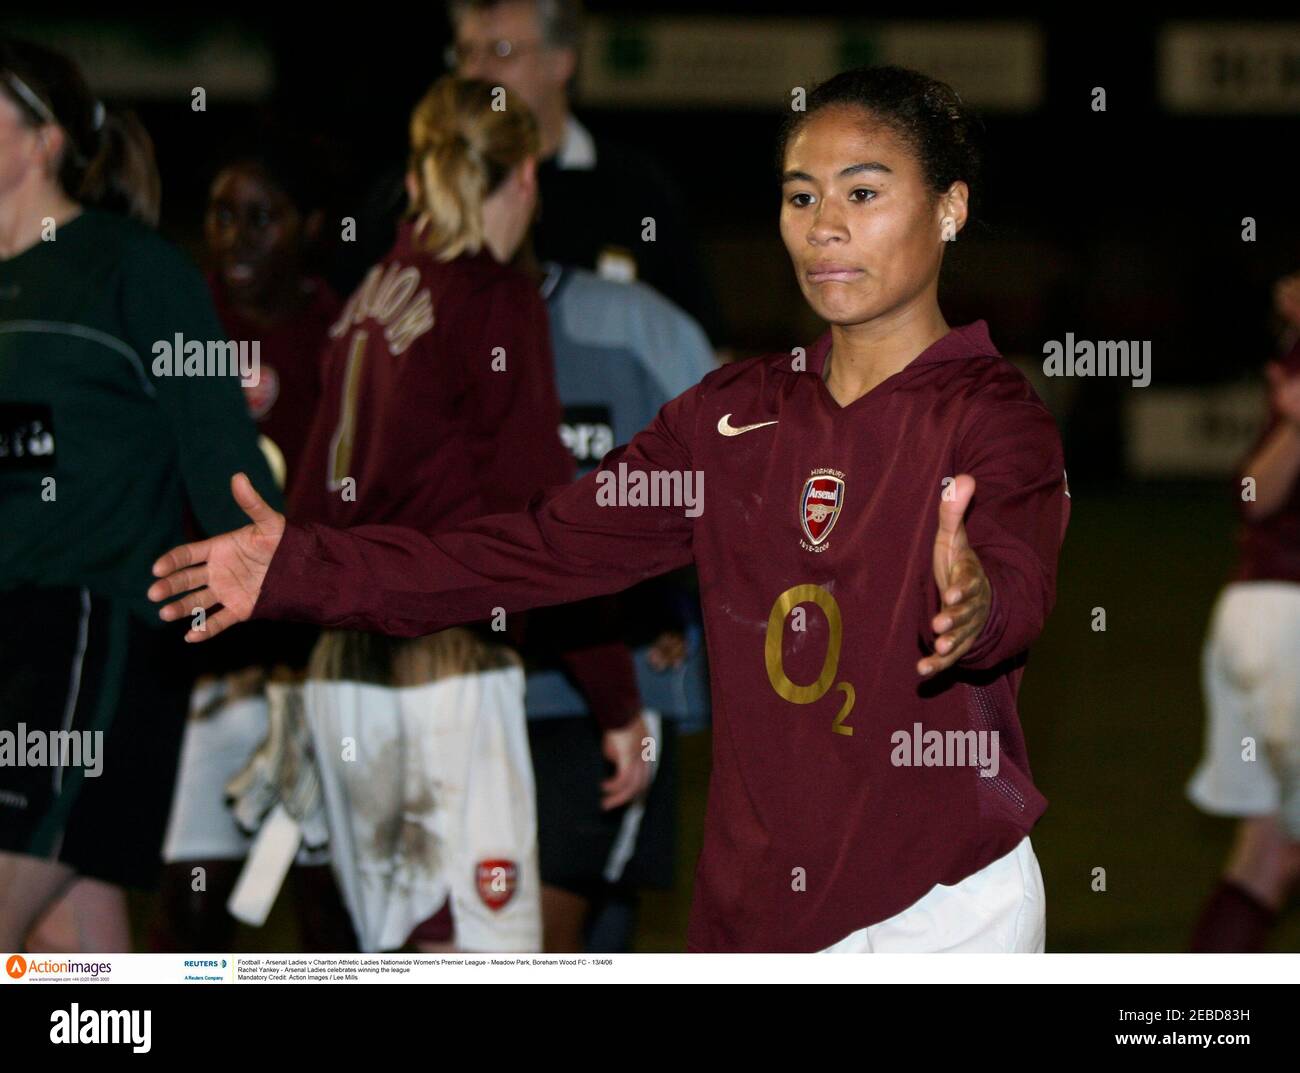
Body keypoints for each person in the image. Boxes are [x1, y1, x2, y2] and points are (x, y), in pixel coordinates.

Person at [150, 65, 1070, 953]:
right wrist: (302, 567)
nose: (824, 225)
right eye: (800, 196)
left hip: (942, 914)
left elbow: (1015, 582)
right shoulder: (730, 415)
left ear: (949, 207)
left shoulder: (995, 418)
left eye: (862, 194)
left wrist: (976, 606)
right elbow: (532, 549)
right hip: (760, 922)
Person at [275, 76, 648, 953]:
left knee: (404, 953)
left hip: (343, 674)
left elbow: (309, 503)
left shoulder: (375, 289)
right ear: (524, 178)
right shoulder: (490, 295)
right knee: (482, 958)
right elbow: (544, 517)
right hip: (442, 667)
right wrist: (616, 694)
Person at [0, 37, 280, 952]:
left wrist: (292, 600)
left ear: (42, 139)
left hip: (84, 634)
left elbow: (224, 456)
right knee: (66, 947)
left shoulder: (133, 270)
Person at [151, 138, 354, 954]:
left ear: (306, 227)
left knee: (330, 920)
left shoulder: (347, 335)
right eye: (221, 215)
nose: (235, 235)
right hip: (208, 674)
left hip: (314, 675)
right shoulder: (176, 321)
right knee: (189, 915)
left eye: (260, 218)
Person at [340, 0, 725, 347]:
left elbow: (700, 342)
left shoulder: (637, 191)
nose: (476, 72)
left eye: (501, 51)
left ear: (562, 60)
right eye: (465, 52)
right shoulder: (412, 189)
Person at [528, 260, 714, 950]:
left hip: (606, 694)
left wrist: (668, 596)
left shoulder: (635, 325)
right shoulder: (413, 323)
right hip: (468, 687)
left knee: (557, 928)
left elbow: (733, 484)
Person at [1187, 271, 1300, 951]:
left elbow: (1253, 491)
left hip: (1249, 619)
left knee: (1263, 855)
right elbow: (1258, 493)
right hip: (1286, 626)